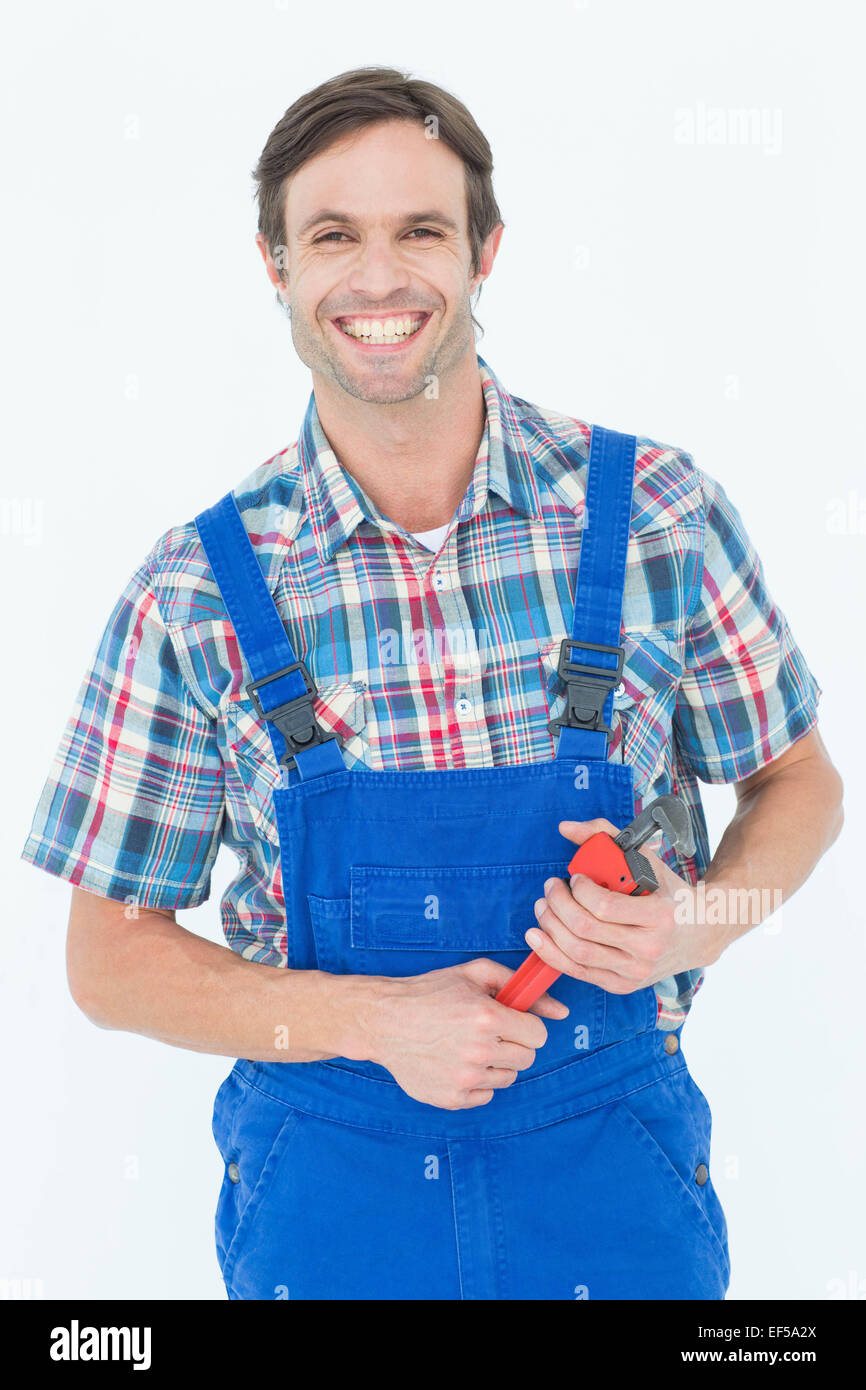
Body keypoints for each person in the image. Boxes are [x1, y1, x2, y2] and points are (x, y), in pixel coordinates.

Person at [21, 66, 843, 1301]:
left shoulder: (655, 515)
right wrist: (366, 1021)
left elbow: (799, 784)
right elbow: (107, 958)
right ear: (276, 267)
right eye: (331, 234)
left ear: (483, 252)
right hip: (331, 1216)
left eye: (420, 230)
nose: (378, 277)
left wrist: (692, 923)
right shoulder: (194, 588)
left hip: (613, 1204)